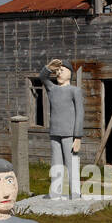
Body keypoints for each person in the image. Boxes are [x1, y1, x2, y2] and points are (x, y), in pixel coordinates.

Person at [39, 58, 84, 199]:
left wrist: (78, 137)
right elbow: (42, 77)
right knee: (56, 163)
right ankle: (56, 190)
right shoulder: (52, 89)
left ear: (70, 73)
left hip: (69, 134)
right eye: (57, 71)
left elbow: (80, 113)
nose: (58, 73)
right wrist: (48, 67)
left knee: (72, 163)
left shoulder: (74, 91)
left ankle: (75, 191)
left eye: (62, 70)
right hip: (54, 133)